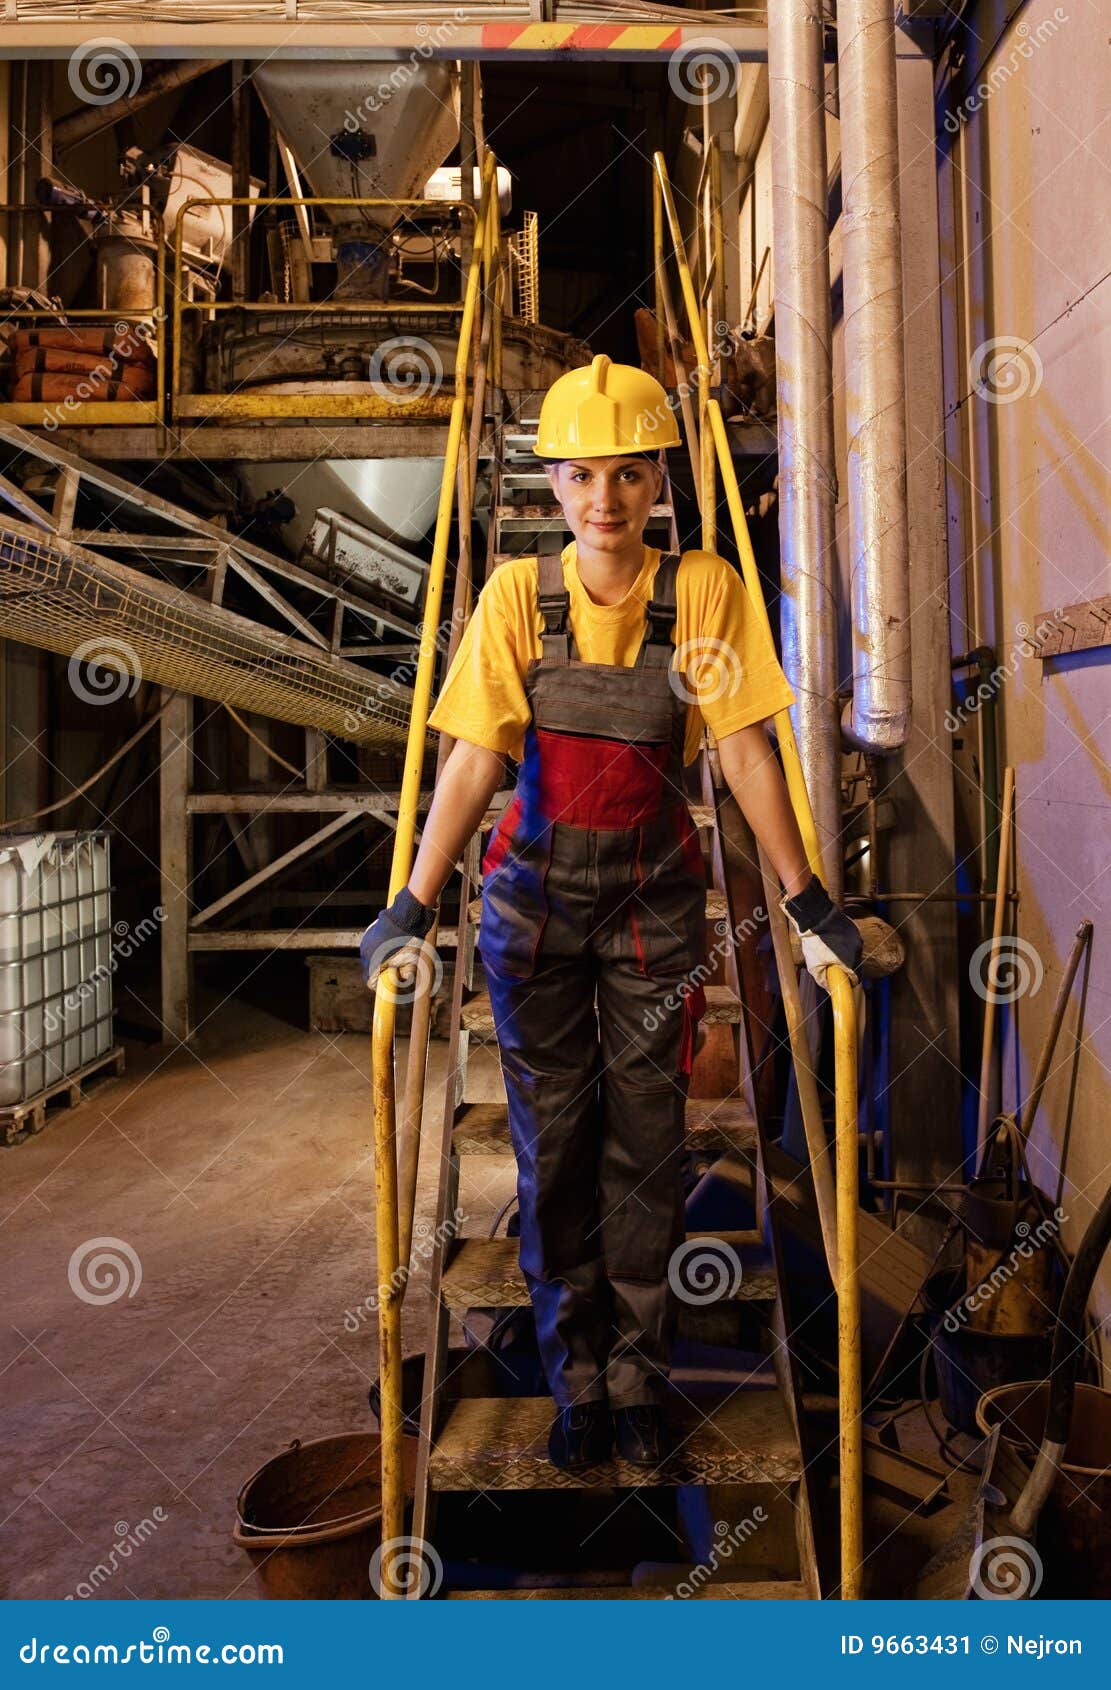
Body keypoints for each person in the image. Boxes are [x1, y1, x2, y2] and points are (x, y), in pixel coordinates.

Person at [361, 355, 861, 1472]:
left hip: (653, 912)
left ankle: (639, 1379)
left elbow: (740, 749)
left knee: (645, 1147)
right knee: (555, 1151)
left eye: (627, 475)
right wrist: (409, 901)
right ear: (552, 484)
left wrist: (807, 898)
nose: (604, 499)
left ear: (656, 479)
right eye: (581, 476)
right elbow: (473, 760)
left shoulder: (705, 591)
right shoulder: (514, 600)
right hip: (532, 912)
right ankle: (574, 1376)